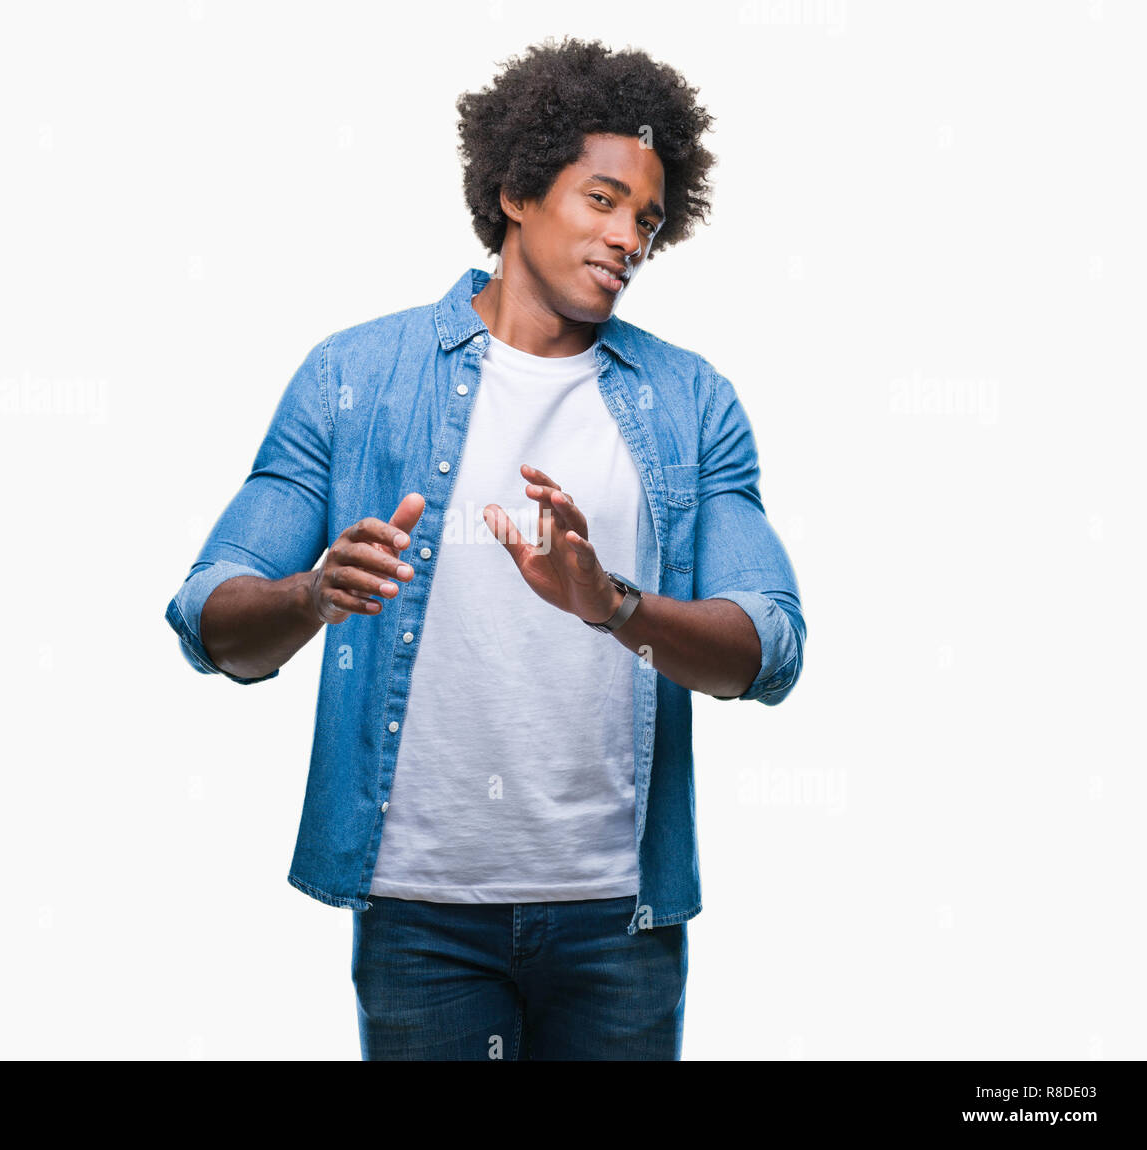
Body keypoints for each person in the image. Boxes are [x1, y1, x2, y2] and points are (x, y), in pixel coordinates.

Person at [164, 35, 806, 1060]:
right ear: (515, 189)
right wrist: (309, 596)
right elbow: (209, 618)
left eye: (645, 217)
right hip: (422, 913)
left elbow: (766, 649)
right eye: (601, 200)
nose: (627, 239)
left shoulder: (692, 402)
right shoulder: (352, 377)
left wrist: (613, 604)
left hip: (620, 922)